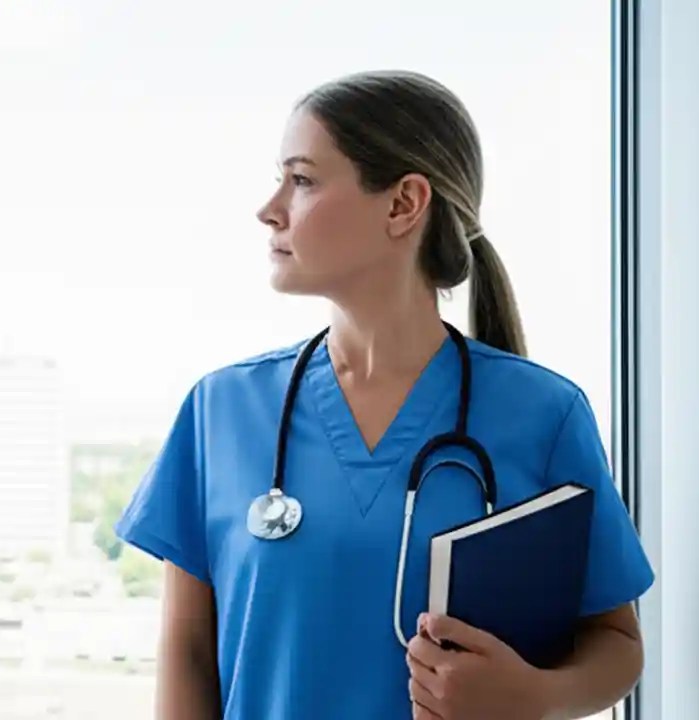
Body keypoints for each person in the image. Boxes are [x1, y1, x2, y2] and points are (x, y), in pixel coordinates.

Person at [113, 70, 655, 720]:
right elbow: (188, 655)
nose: (270, 208)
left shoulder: (544, 415)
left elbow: (616, 642)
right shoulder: (221, 411)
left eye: (302, 180)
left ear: (403, 204)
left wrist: (533, 697)